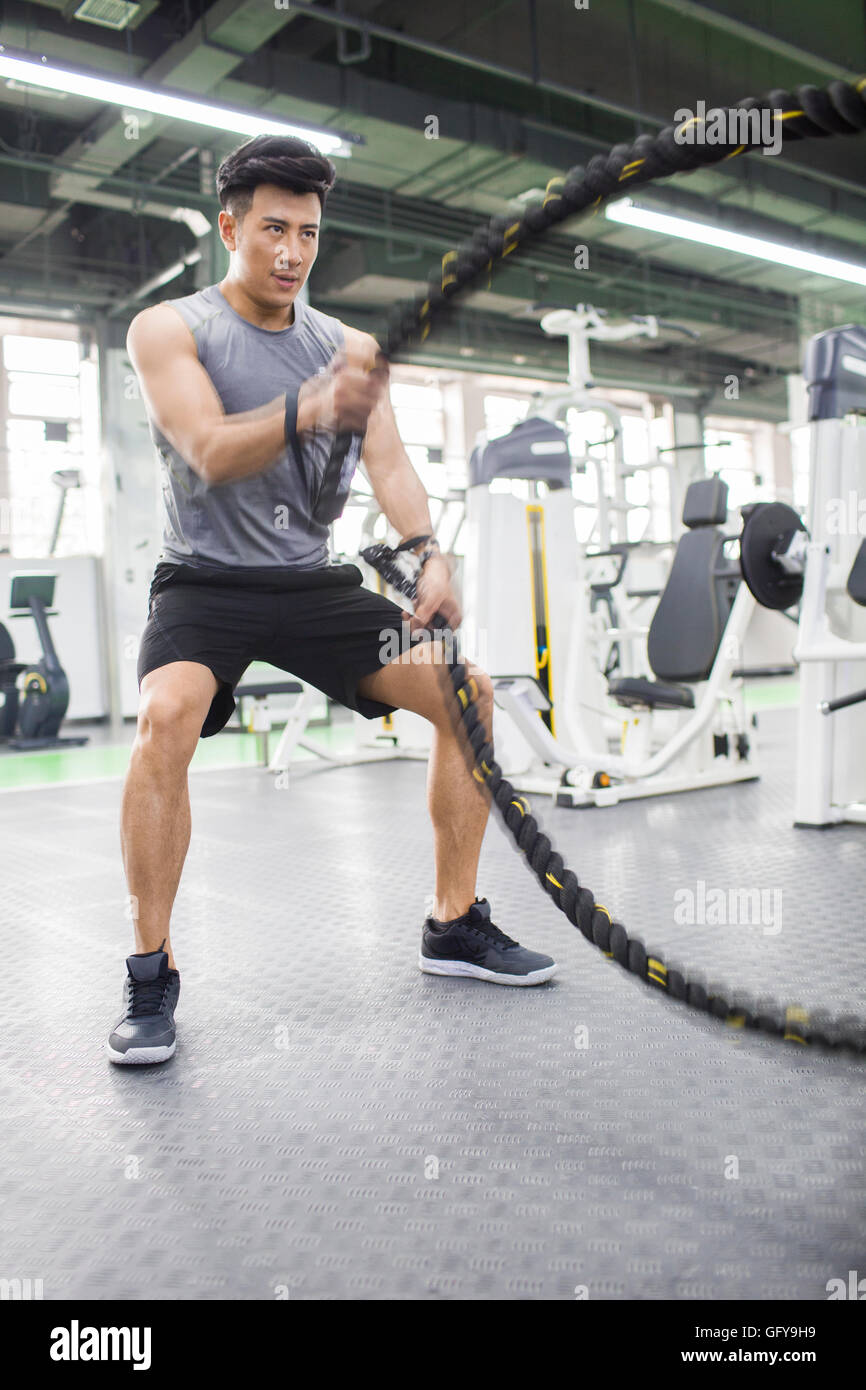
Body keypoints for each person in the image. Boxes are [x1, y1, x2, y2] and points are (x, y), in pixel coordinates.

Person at [107, 135, 557, 1065]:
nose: (291, 252)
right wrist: (310, 408)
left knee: (466, 693)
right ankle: (150, 972)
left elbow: (389, 465)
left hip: (313, 585)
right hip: (206, 583)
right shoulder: (168, 328)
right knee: (165, 717)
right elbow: (209, 448)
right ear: (230, 227)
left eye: (308, 232)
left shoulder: (348, 347)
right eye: (272, 228)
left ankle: (454, 923)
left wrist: (428, 553)